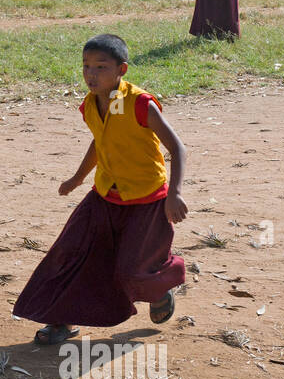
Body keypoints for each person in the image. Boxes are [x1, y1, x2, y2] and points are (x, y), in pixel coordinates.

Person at [13, 34, 187, 345]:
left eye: (101, 67)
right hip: (104, 196)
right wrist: (78, 178)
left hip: (145, 200)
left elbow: (177, 147)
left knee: (130, 270)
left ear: (122, 69)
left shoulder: (138, 104)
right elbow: (101, 141)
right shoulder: (91, 105)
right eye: (86, 67)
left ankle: (161, 286)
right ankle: (61, 321)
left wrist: (174, 193)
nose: (91, 75)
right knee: (69, 254)